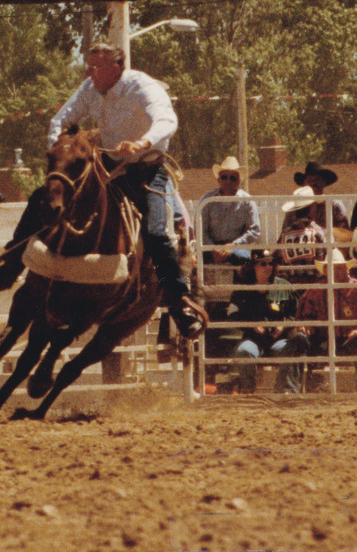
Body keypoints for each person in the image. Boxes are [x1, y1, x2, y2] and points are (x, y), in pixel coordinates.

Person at [44, 42, 203, 337]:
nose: (89, 73)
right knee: (63, 208)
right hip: (111, 169)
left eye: (95, 68)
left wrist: (141, 143)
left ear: (116, 68)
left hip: (148, 169)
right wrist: (58, 146)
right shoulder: (90, 88)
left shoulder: (142, 87)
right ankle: (47, 283)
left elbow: (167, 121)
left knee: (156, 233)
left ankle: (179, 302)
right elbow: (61, 119)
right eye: (88, 67)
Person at [290, 248, 357, 392]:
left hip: (350, 337)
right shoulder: (315, 290)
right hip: (323, 338)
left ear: (345, 269)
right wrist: (306, 325)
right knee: (312, 346)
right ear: (325, 270)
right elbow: (304, 315)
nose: (335, 272)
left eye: (339, 268)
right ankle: (314, 390)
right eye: (331, 268)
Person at [227, 250, 299, 393]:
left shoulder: (284, 287)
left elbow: (297, 313)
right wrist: (251, 324)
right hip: (253, 339)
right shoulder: (242, 288)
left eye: (271, 263)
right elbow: (232, 314)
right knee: (244, 351)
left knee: (290, 350)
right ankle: (247, 390)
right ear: (253, 266)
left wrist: (284, 324)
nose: (268, 267)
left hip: (278, 339)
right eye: (263, 264)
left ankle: (284, 391)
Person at [199, 157, 261, 266]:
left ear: (238, 181)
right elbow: (200, 230)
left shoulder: (247, 201)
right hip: (210, 247)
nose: (228, 181)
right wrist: (213, 248)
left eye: (232, 178)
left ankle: (240, 283)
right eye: (224, 177)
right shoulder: (207, 200)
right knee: (195, 260)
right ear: (218, 179)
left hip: (236, 247)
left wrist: (233, 245)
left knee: (244, 259)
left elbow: (254, 230)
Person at [294, 161, 349, 229]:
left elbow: (345, 234)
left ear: (324, 182)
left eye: (317, 179)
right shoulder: (294, 208)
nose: (313, 183)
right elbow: (284, 235)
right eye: (309, 180)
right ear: (303, 183)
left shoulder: (335, 206)